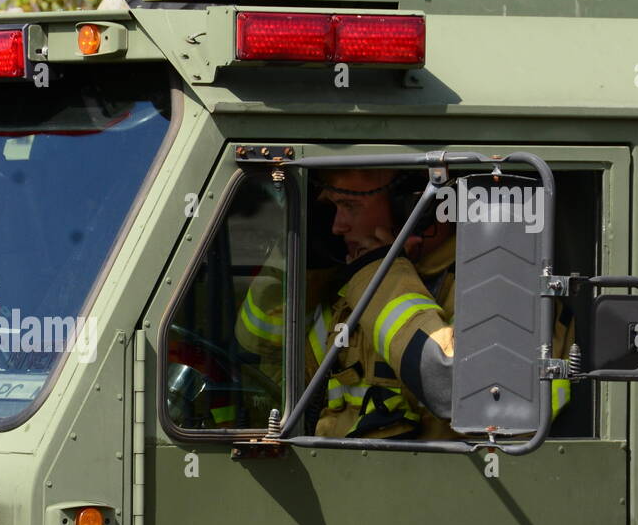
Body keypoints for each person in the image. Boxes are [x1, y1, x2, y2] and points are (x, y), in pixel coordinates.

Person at [237, 167, 571, 439]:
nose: (337, 226)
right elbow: (258, 353)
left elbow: (470, 390)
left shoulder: (503, 288)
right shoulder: (349, 286)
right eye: (331, 208)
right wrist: (305, 260)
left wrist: (379, 278)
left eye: (350, 207)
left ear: (416, 209)